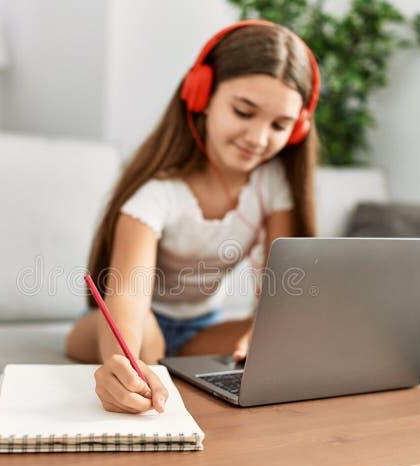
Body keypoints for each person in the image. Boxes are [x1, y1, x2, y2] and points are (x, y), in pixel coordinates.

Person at [65, 19, 320, 414]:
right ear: (201, 95)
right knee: (146, 342)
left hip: (200, 330)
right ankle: (138, 362)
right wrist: (122, 364)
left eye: (279, 125)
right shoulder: (157, 194)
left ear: (299, 127)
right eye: (243, 111)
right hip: (125, 320)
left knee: (296, 338)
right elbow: (129, 295)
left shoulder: (274, 184)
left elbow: (279, 289)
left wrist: (263, 335)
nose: (258, 137)